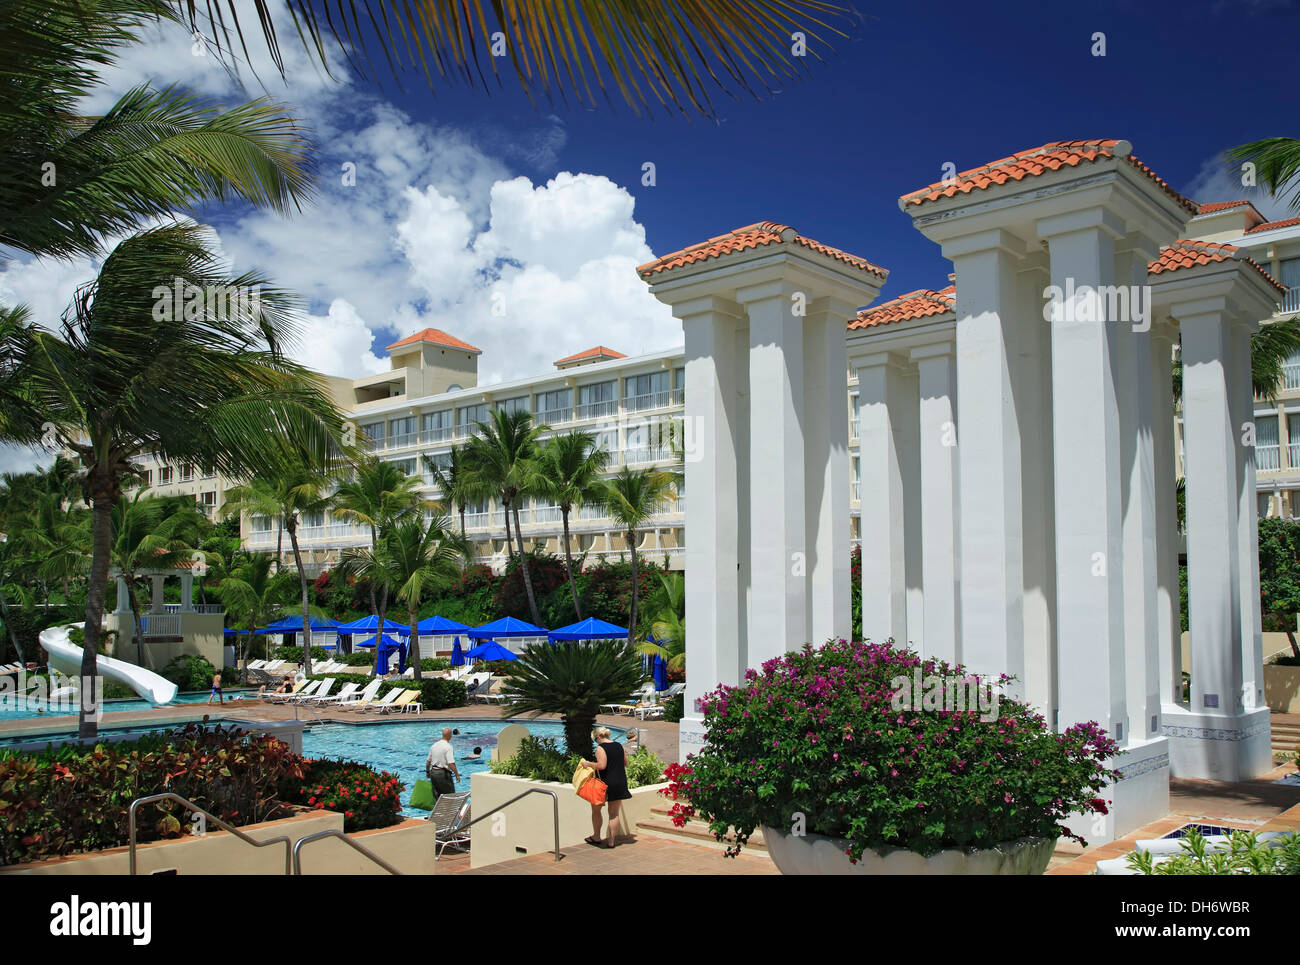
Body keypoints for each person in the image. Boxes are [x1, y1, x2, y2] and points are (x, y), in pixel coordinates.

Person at [580, 726, 633, 849]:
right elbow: (626, 763)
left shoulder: (600, 748)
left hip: (604, 783)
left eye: (595, 739)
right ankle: (611, 841)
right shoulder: (619, 745)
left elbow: (601, 765)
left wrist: (587, 764)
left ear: (598, 737)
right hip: (620, 781)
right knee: (614, 813)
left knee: (596, 810)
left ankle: (596, 836)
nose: (595, 742)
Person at [425, 727, 460, 802]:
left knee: (436, 796)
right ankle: (448, 813)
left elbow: (428, 762)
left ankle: (438, 813)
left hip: (433, 772)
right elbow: (451, 763)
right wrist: (457, 774)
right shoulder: (448, 747)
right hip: (443, 773)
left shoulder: (434, 745)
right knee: (449, 796)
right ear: (450, 735)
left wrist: (428, 772)